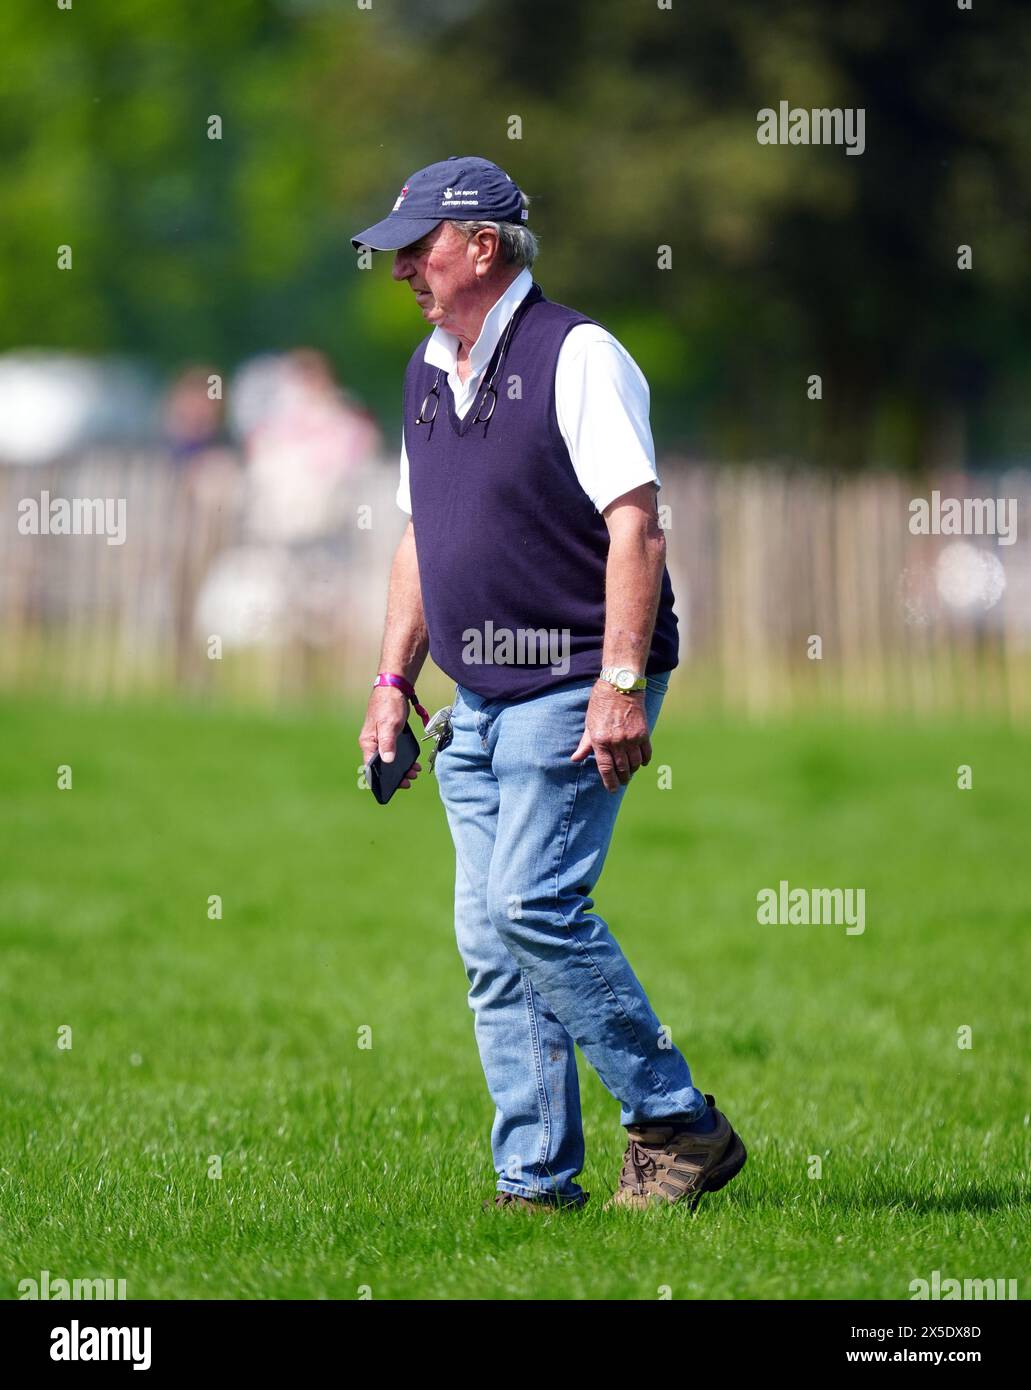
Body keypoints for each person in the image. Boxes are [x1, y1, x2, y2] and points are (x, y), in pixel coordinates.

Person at [354, 156, 746, 1211]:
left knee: (531, 902)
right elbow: (417, 541)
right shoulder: (426, 368)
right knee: (490, 941)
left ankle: (675, 1121)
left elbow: (637, 524)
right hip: (475, 698)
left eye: (415, 245)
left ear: (482, 245)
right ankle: (533, 1183)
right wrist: (393, 677)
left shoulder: (578, 355)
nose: (399, 269)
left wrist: (621, 681)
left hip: (574, 677)